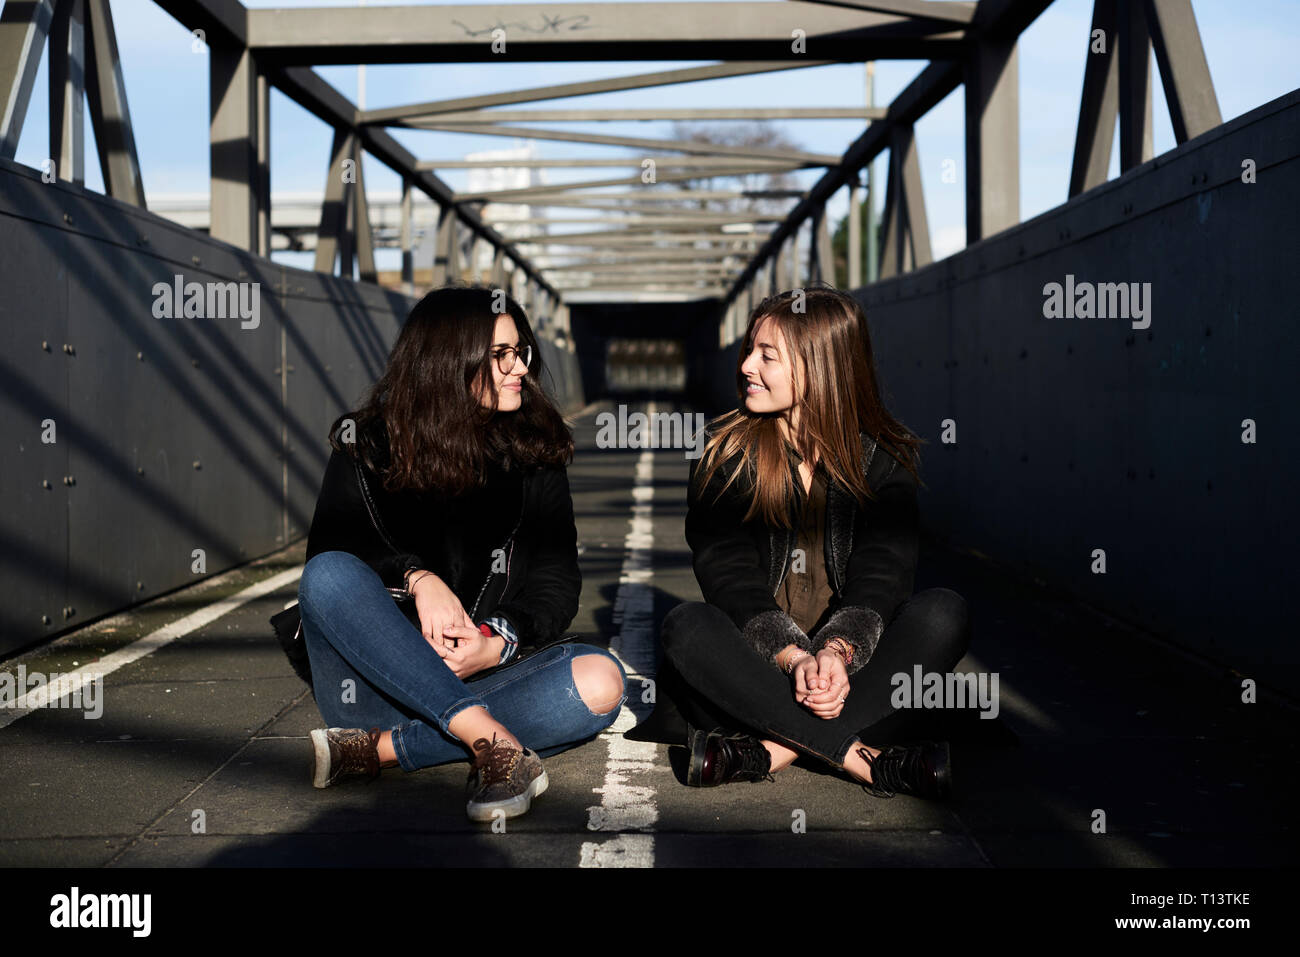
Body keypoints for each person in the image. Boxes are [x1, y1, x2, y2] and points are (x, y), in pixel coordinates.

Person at [296, 284, 626, 822]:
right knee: (328, 575)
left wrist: (495, 643)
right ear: (448, 362)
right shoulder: (369, 444)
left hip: (476, 671)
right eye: (500, 356)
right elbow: (333, 555)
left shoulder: (534, 451)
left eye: (520, 352)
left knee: (602, 680)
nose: (519, 367)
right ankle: (494, 744)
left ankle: (378, 750)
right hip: (377, 681)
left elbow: (555, 579)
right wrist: (417, 577)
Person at [654, 286, 970, 799]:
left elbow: (884, 571)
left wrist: (836, 654)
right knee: (686, 626)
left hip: (855, 671)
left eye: (767, 355)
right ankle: (863, 759)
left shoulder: (882, 457)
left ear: (819, 366)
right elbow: (725, 569)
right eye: (749, 350)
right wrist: (794, 658)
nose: (747, 367)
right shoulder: (724, 450)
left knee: (943, 613)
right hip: (759, 667)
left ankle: (767, 751)